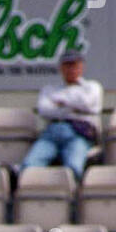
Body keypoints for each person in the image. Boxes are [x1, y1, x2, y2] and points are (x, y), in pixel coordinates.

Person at [17, 48, 103, 181]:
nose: (71, 69)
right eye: (67, 65)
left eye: (74, 64)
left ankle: (71, 198)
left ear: (81, 67)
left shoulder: (92, 87)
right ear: (61, 68)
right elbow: (44, 110)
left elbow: (88, 103)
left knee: (73, 167)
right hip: (51, 133)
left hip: (78, 133)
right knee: (29, 166)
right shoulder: (50, 89)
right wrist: (75, 107)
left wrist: (61, 102)